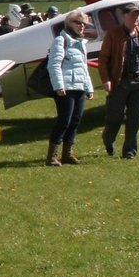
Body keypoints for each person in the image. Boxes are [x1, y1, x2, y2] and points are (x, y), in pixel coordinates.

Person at [98, 5, 139, 160]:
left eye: (138, 16)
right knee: (115, 117)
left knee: (136, 116)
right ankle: (108, 139)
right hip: (119, 81)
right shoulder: (113, 35)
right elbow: (103, 59)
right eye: (132, 16)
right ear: (123, 17)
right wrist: (106, 80)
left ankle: (129, 152)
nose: (136, 19)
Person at [45, 11, 94, 166]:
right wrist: (59, 86)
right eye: (78, 22)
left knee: (76, 120)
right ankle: (52, 156)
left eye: (84, 24)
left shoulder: (80, 42)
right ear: (69, 23)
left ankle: (67, 154)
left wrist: (88, 87)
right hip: (66, 88)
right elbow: (53, 65)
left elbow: (83, 67)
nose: (81, 26)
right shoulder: (61, 40)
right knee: (64, 121)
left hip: (79, 86)